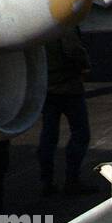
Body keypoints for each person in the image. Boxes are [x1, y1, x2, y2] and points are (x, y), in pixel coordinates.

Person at [37, 25, 92, 196]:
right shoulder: (63, 23)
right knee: (81, 133)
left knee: (49, 135)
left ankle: (47, 182)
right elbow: (73, 49)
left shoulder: (37, 25)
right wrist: (85, 66)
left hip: (46, 86)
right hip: (69, 86)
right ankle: (72, 180)